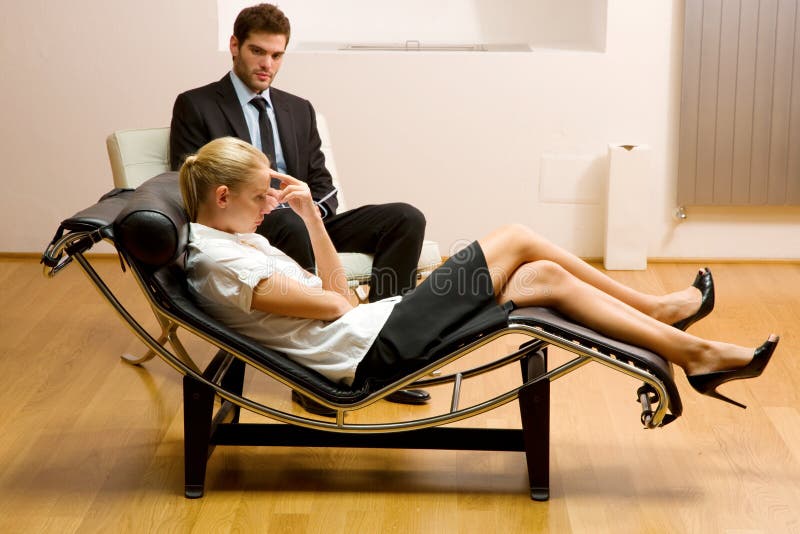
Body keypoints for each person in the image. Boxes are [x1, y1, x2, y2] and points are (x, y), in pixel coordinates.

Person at [178, 137, 779, 415]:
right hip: (372, 350)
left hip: (378, 324)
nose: (267, 207)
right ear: (224, 194)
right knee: (515, 237)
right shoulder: (220, 263)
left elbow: (335, 295)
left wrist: (310, 215)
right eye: (262, 196)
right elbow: (336, 306)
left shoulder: (238, 238)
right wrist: (340, 293)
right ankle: (659, 314)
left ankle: (690, 348)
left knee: (541, 275)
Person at [170, 3, 429, 408]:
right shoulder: (197, 104)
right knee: (288, 225)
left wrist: (313, 216)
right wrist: (276, 210)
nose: (267, 64)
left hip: (303, 216)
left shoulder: (298, 108)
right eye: (258, 51)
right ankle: (312, 374)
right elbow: (191, 181)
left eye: (277, 55)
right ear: (235, 46)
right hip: (248, 223)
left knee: (405, 218)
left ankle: (381, 349)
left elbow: (322, 183)